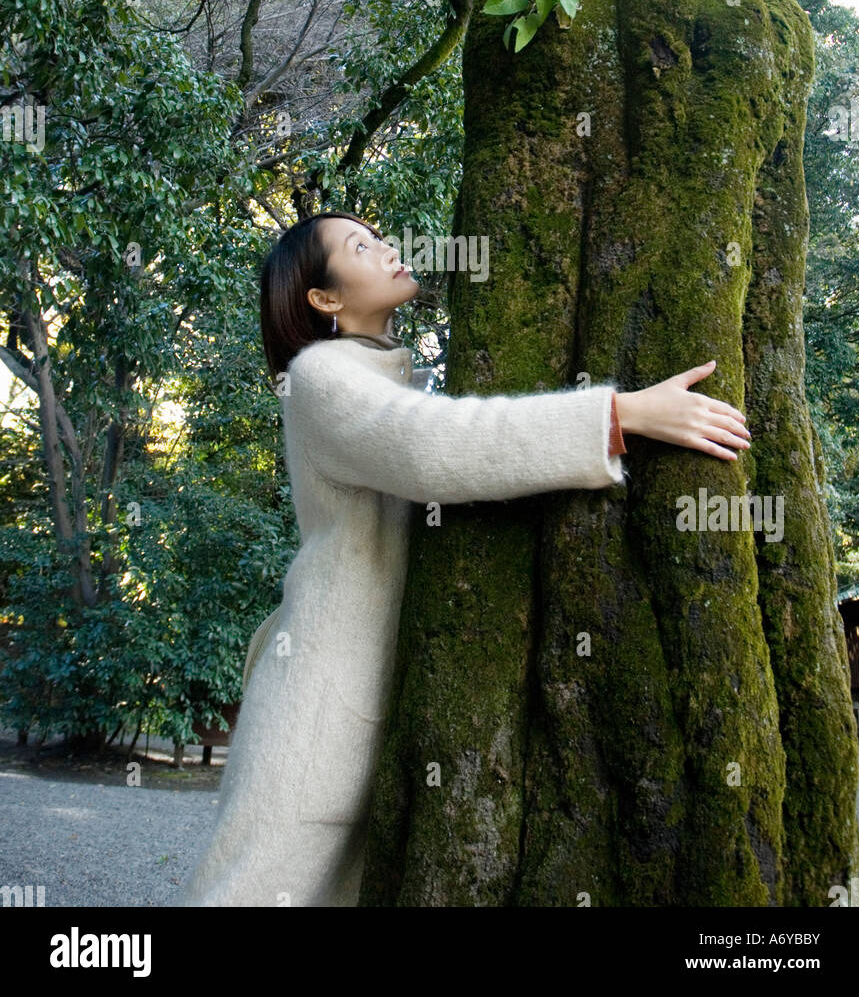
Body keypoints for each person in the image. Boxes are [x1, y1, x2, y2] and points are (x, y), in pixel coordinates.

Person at [177, 211, 750, 906]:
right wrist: (619, 417)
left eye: (380, 237)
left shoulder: (384, 375)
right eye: (361, 247)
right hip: (315, 715)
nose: (387, 249)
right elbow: (433, 448)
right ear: (324, 299)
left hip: (360, 709)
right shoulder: (322, 374)